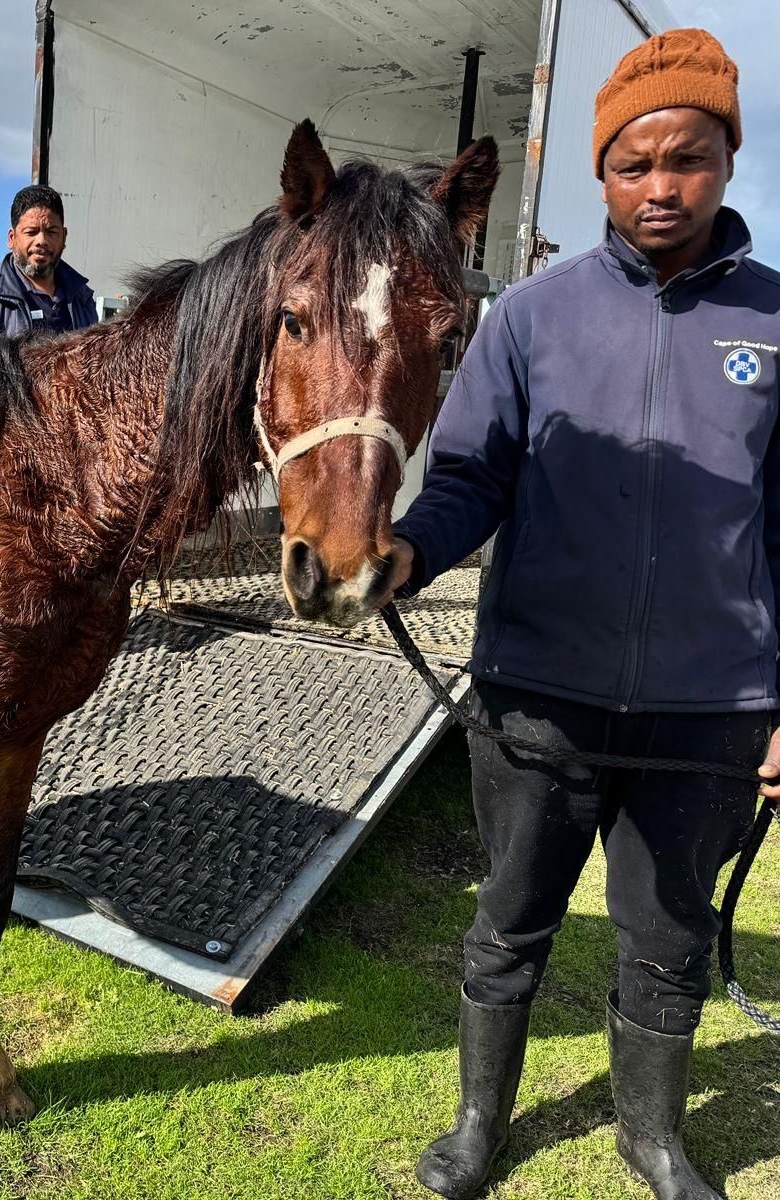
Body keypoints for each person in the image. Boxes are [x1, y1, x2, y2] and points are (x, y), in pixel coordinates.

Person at [384, 29, 776, 1200]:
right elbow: (467, 483)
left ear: (727, 157)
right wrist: (408, 551)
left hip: (707, 712)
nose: (660, 188)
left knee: (664, 943)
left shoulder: (774, 323)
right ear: (600, 174)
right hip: (535, 702)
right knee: (507, 924)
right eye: (632, 163)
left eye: (688, 159)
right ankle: (474, 1124)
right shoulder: (528, 320)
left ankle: (651, 1136)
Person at [0, 184, 97, 335]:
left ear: (64, 237)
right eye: (31, 232)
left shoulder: (82, 298)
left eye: (52, 232)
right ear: (12, 239)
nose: (42, 241)